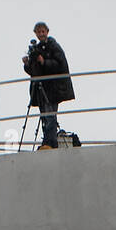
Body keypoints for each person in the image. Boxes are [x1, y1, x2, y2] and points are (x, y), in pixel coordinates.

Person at [22, 22, 74, 151]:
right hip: (42, 88)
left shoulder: (54, 46)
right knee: (45, 115)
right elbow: (35, 72)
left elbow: (61, 65)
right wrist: (27, 64)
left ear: (47, 32)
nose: (41, 34)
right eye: (38, 32)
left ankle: (50, 143)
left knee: (50, 115)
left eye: (42, 31)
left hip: (53, 87)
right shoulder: (37, 49)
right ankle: (47, 142)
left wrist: (44, 61)